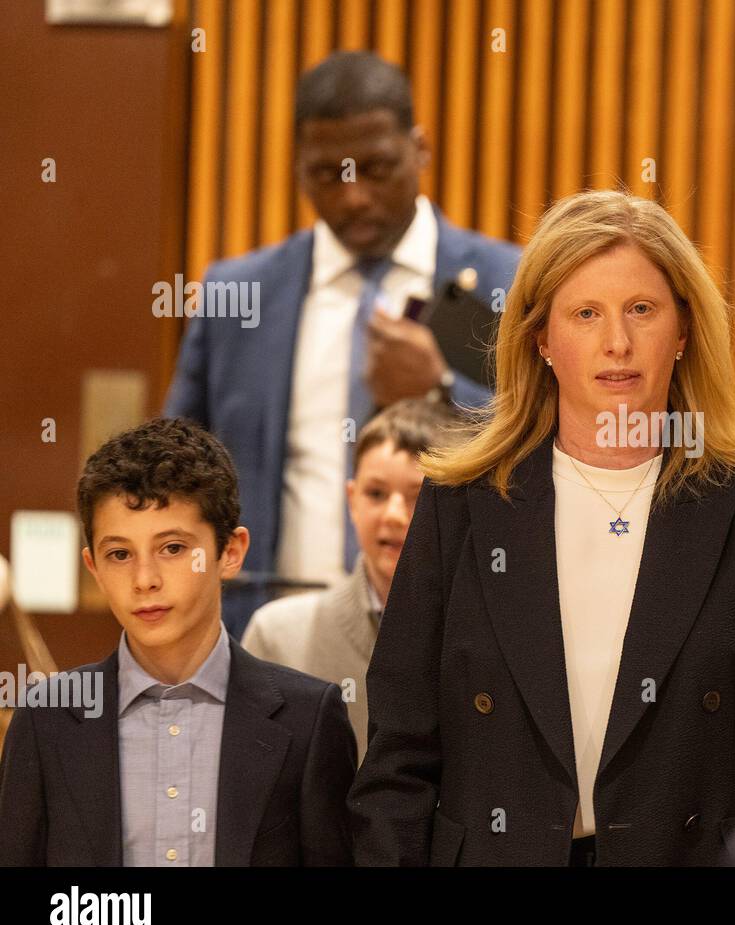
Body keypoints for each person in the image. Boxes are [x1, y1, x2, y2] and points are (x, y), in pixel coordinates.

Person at [348, 190, 735, 866]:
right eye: (586, 313)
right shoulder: (462, 506)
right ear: (541, 337)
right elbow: (398, 765)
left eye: (642, 310)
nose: (617, 343)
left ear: (684, 330)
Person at [164, 51, 521, 638]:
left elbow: (551, 448)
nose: (354, 197)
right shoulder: (237, 295)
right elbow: (178, 466)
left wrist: (441, 390)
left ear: (421, 150)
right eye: (330, 174)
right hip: (271, 633)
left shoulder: (510, 283)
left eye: (376, 169)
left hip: (459, 630)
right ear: (299, 167)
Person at [0, 419, 355, 866]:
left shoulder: (310, 718)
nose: (144, 580)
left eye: (172, 549)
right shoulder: (46, 717)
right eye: (120, 554)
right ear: (92, 566)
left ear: (230, 551)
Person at [243, 399, 463, 760]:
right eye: (376, 494)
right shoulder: (277, 637)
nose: (393, 515)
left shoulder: (485, 639)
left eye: (418, 496)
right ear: (352, 499)